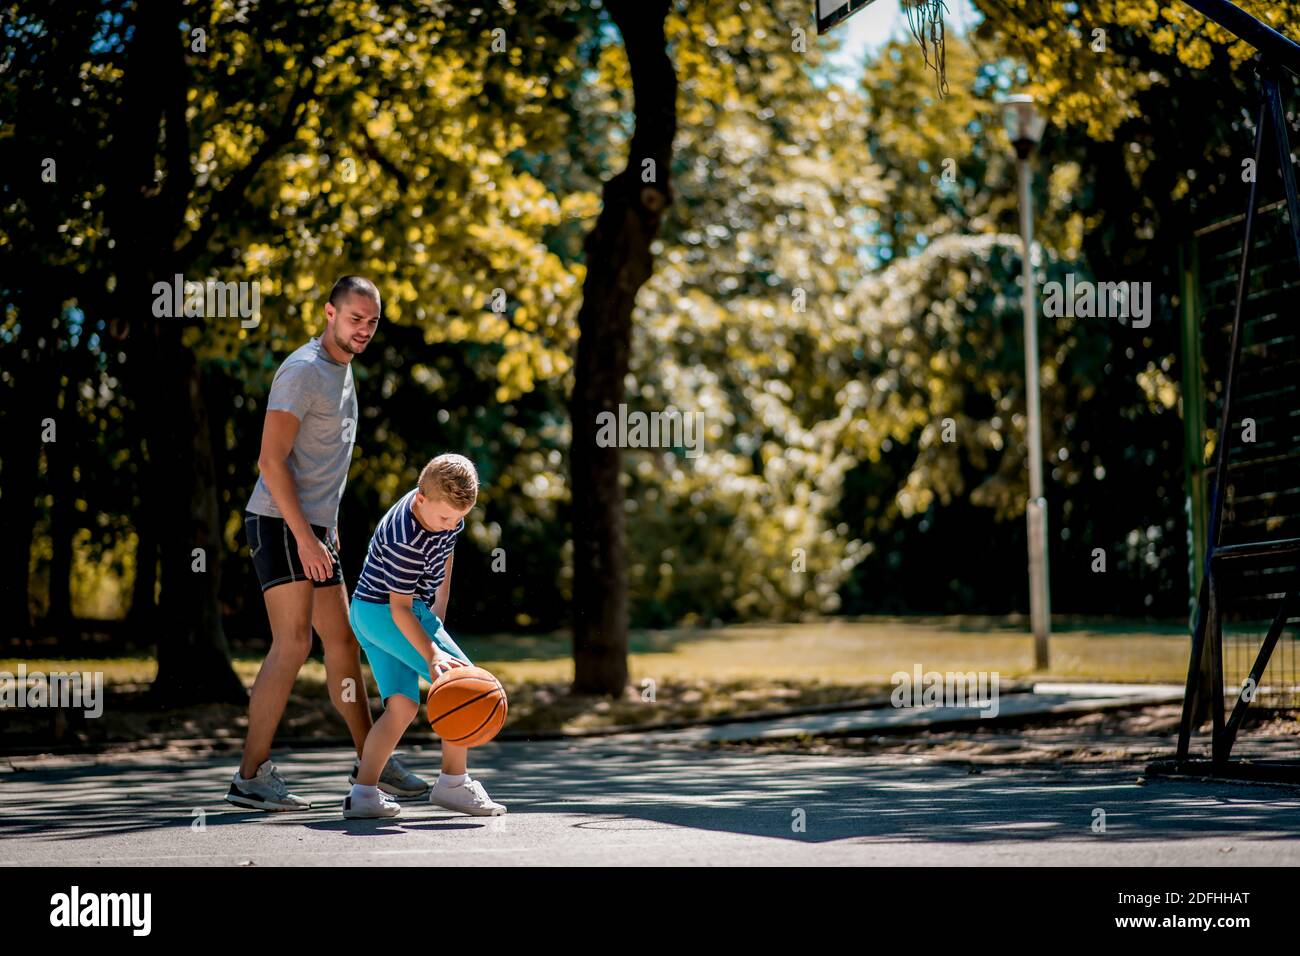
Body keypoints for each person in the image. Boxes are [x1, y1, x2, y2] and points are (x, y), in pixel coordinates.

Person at [227, 275, 426, 811]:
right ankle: (251, 774)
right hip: (280, 522)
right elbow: (271, 461)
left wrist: (325, 529)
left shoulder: (342, 369)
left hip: (314, 529)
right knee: (292, 643)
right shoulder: (303, 372)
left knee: (342, 643)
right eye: (354, 318)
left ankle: (371, 763)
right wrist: (304, 536)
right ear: (329, 313)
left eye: (371, 321)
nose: (363, 328)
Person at [342, 453, 507, 819]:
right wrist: (433, 654)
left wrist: (439, 613)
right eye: (446, 518)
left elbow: (445, 561)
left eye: (459, 519)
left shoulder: (443, 514)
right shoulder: (406, 537)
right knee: (462, 680)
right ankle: (452, 783)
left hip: (370, 611)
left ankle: (363, 794)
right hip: (387, 611)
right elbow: (400, 608)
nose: (451, 526)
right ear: (420, 499)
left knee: (402, 705)